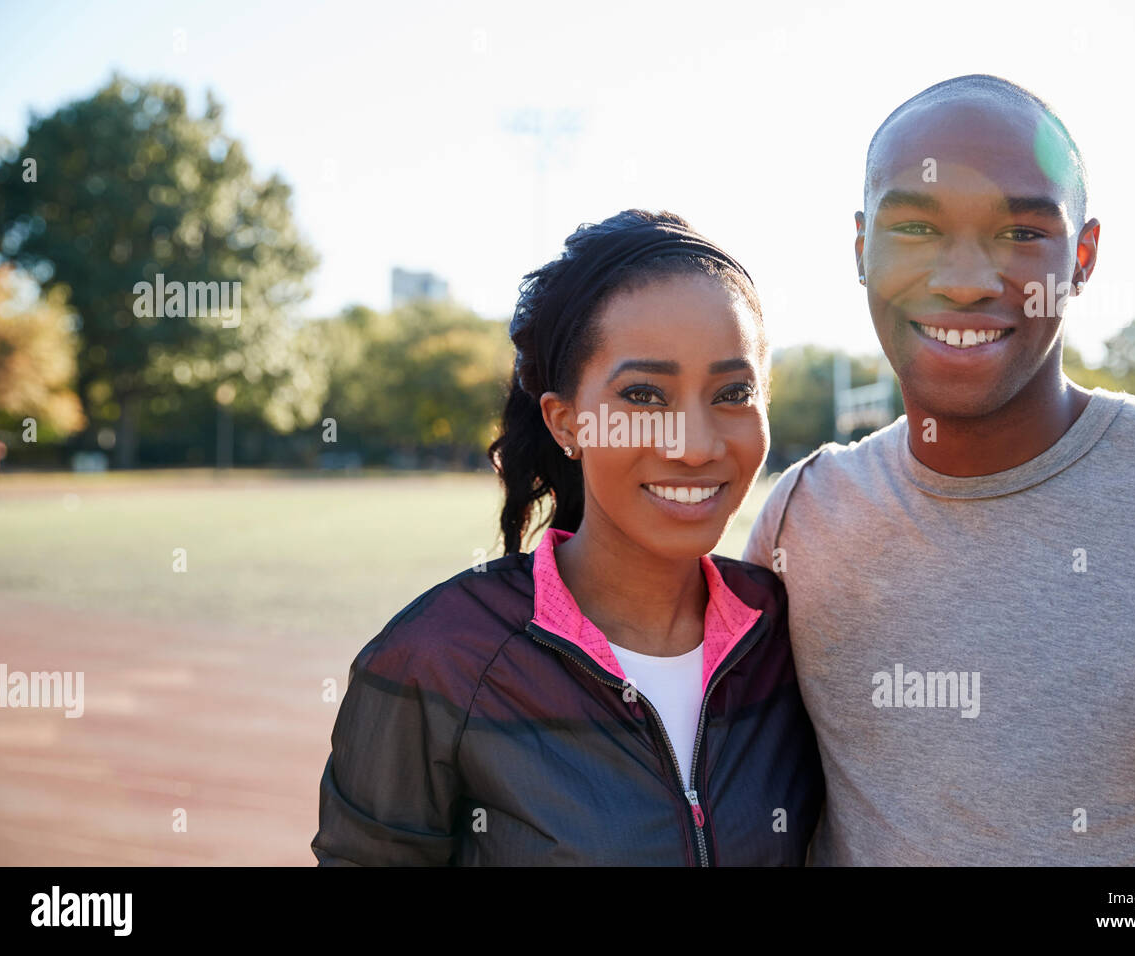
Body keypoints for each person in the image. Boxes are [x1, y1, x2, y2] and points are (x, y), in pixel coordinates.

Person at [743, 74, 1135, 865]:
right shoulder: (802, 518)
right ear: (863, 251)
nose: (965, 281)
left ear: (1084, 256)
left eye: (1023, 234)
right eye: (917, 228)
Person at [312, 209, 824, 865]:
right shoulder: (438, 659)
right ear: (566, 423)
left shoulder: (789, 633)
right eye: (644, 396)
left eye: (733, 392)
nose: (696, 445)